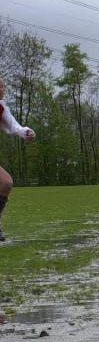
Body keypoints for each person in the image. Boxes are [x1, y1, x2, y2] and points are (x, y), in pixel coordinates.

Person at [0, 77, 37, 242]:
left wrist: (27, 132)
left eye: (3, 86)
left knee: (6, 183)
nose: (3, 89)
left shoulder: (1, 108)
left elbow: (14, 127)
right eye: (0, 86)